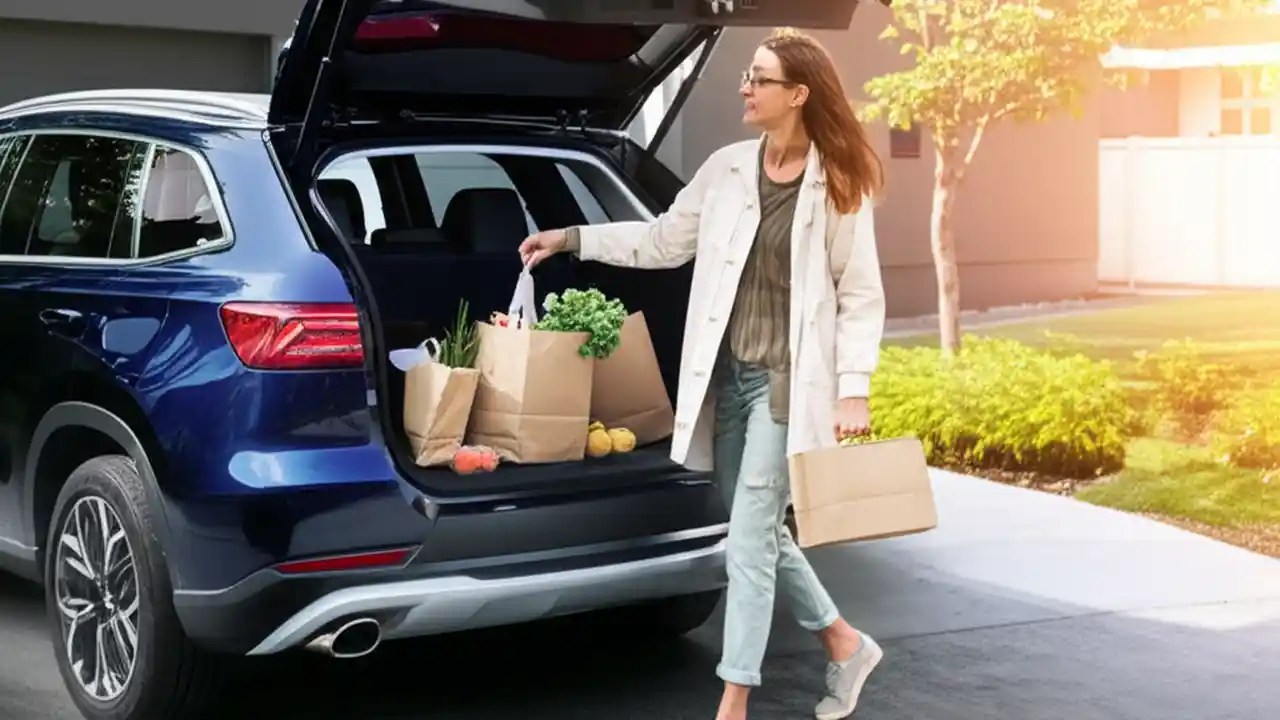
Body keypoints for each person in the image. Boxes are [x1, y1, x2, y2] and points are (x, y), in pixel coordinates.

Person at [518, 27, 887, 720]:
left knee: (748, 538)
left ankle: (733, 699)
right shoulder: (724, 170)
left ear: (798, 94)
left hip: (787, 386)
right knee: (760, 530)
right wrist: (571, 238)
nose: (746, 88)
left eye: (760, 78)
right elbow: (662, 241)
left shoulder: (836, 185)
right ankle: (844, 643)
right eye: (748, 75)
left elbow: (861, 292)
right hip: (731, 381)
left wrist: (854, 388)